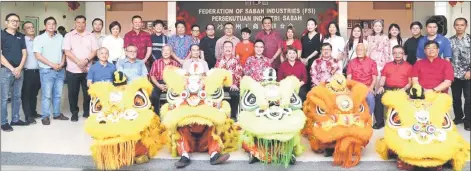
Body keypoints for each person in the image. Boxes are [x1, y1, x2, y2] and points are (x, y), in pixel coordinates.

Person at [34, 16, 69, 125]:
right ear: (45, 26)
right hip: (47, 71)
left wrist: (62, 63)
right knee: (47, 95)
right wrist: (52, 65)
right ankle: (45, 116)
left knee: (58, 94)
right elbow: (38, 55)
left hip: (60, 70)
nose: (51, 26)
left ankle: (57, 114)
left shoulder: (60, 37)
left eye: (53, 24)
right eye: (49, 24)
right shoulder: (39, 38)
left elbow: (64, 52)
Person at [63, 15, 98, 122]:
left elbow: (94, 51)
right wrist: (79, 63)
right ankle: (74, 112)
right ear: (75, 23)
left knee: (88, 92)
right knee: (73, 93)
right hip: (72, 70)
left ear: (85, 24)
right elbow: (67, 52)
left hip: (88, 70)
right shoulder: (68, 36)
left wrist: (86, 61)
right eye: (78, 22)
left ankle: (87, 111)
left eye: (83, 22)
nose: (80, 24)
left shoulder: (91, 35)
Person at [373, 45, 412, 129]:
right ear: (392, 54)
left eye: (399, 53)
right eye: (395, 53)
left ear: (403, 54)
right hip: (388, 88)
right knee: (378, 96)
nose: (397, 55)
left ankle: (401, 121)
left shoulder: (409, 66)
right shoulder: (387, 65)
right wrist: (381, 86)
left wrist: (404, 89)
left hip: (402, 89)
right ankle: (380, 122)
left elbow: (409, 83)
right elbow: (383, 78)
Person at [1, 13, 28, 131]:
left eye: (17, 21)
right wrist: (12, 69)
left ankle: (15, 119)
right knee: (3, 98)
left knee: (17, 97)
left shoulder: (21, 36)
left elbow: (25, 53)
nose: (15, 22)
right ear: (6, 22)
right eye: (12, 20)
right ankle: (3, 122)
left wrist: (20, 68)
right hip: (6, 70)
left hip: (19, 70)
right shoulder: (2, 35)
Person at [449, 17, 470, 131]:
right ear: (454, 26)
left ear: (466, 26)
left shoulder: (470, 39)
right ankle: (458, 117)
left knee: (469, 99)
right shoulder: (450, 40)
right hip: (455, 75)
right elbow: (448, 57)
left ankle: (468, 121)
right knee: (456, 98)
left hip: (468, 75)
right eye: (457, 25)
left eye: (462, 25)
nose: (459, 27)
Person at [214, 41, 243, 120]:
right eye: (226, 47)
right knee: (214, 94)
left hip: (232, 85)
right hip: (221, 85)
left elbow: (239, 73)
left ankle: (233, 117)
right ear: (223, 49)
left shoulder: (236, 60)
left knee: (235, 94)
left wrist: (235, 84)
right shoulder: (219, 61)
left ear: (233, 49)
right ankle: (218, 116)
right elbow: (216, 74)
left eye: (229, 47)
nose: (228, 49)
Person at [347, 43, 377, 115]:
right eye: (358, 50)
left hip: (367, 87)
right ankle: (354, 117)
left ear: (366, 51)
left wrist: (371, 87)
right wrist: (349, 89)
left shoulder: (372, 62)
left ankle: (368, 117)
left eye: (361, 50)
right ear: (356, 51)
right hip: (355, 87)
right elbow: (348, 78)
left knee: (370, 98)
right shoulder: (351, 62)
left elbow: (374, 78)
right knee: (348, 98)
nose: (359, 51)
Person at [149, 45, 180, 115]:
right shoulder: (156, 62)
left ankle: (172, 115)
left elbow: (178, 77)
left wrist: (170, 85)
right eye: (164, 50)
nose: (165, 52)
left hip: (172, 83)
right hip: (158, 83)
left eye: (168, 50)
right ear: (161, 52)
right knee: (153, 95)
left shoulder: (175, 64)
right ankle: (157, 115)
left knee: (178, 95)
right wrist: (159, 85)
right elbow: (152, 75)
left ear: (171, 52)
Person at [21, 21, 41, 124]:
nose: (31, 29)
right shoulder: (22, 41)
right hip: (27, 71)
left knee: (34, 94)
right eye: (28, 28)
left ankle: (33, 112)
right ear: (23, 30)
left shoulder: (38, 40)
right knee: (26, 94)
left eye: (32, 27)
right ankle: (28, 116)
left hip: (38, 71)